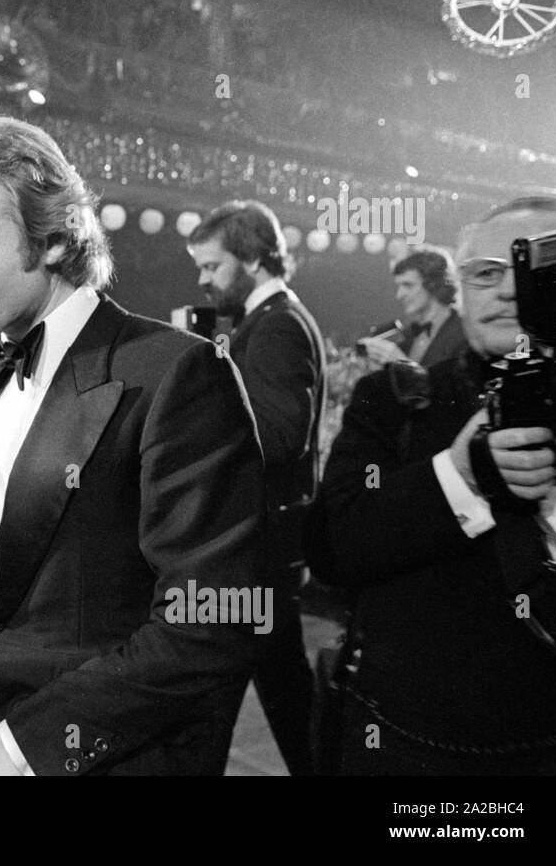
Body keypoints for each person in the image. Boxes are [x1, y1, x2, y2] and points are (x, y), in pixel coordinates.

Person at [0, 117, 270, 776]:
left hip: (122, 754)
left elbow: (211, 621)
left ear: (51, 242)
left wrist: (25, 750)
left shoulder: (178, 373)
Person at [311, 196, 556, 774]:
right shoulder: (395, 404)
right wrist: (460, 476)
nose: (509, 292)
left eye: (539, 271)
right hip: (424, 757)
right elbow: (334, 547)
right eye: (487, 273)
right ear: (461, 291)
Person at [186, 199, 325, 776]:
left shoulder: (278, 327)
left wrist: (194, 429)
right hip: (263, 554)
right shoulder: (269, 321)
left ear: (250, 259)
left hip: (256, 556)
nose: (203, 279)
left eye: (213, 267)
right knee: (287, 702)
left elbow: (278, 434)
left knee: (216, 707)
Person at [358, 246, 466, 369]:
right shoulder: (408, 334)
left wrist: (402, 363)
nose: (399, 295)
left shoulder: (465, 332)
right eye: (399, 286)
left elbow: (458, 386)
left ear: (433, 284)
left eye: (408, 285)